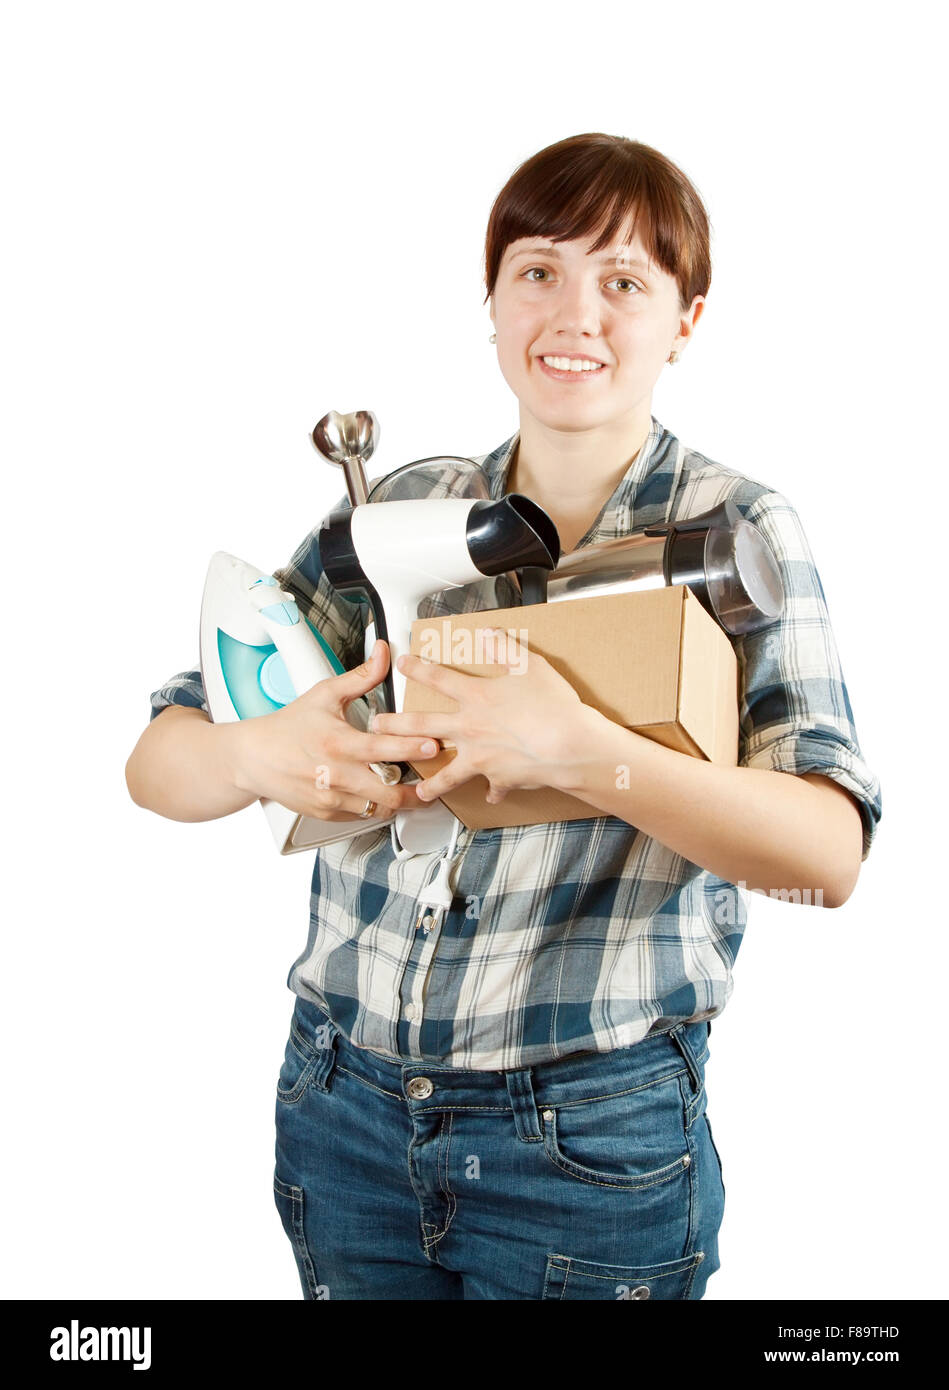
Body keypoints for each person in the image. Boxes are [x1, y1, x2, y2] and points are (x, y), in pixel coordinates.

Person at [126, 133, 882, 1301]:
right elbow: (158, 763)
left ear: (687, 318)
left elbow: (828, 854)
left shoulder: (740, 533)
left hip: (588, 1138)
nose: (573, 312)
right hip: (342, 1108)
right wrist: (260, 753)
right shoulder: (397, 513)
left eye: (622, 281)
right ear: (490, 300)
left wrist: (583, 752)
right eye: (537, 270)